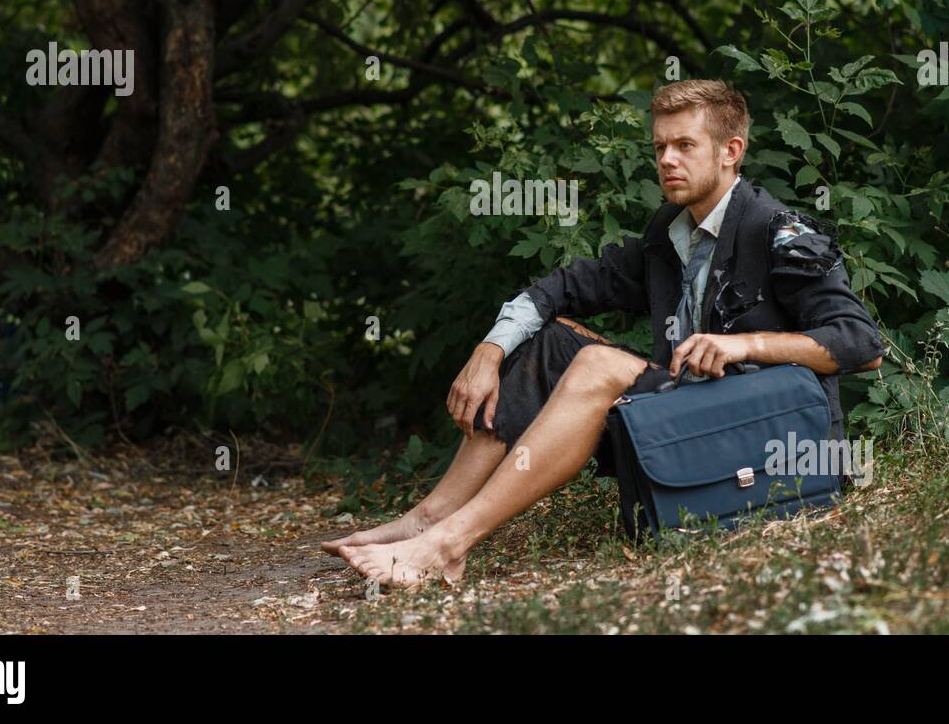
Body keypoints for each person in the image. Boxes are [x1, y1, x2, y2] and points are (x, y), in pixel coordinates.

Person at [323, 79, 885, 587]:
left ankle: (449, 546)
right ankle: (431, 515)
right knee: (550, 341)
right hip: (696, 417)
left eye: (684, 146)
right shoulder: (670, 231)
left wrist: (745, 344)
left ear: (730, 152)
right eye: (659, 147)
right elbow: (564, 287)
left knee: (596, 365)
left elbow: (863, 345)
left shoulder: (778, 231)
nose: (667, 160)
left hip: (771, 448)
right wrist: (489, 349)